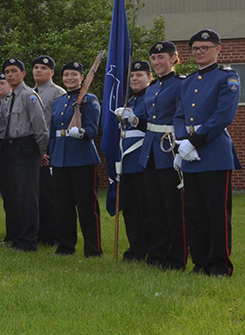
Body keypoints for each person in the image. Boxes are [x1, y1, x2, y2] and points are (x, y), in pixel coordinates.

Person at [175, 29, 241, 276]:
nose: (199, 52)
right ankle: (200, 262)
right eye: (195, 49)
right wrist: (182, 142)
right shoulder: (188, 82)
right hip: (189, 154)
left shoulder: (227, 78)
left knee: (217, 214)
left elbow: (223, 116)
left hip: (214, 154)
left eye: (205, 47)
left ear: (217, 49)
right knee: (194, 213)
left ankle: (219, 264)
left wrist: (194, 141)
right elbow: (179, 115)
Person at [137, 41, 187, 270]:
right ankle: (157, 254)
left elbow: (183, 117)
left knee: (174, 207)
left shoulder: (182, 84)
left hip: (170, 149)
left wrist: (181, 147)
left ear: (174, 58)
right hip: (150, 151)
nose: (156, 62)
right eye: (153, 59)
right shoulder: (151, 88)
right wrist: (134, 119)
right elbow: (149, 120)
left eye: (161, 58)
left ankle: (176, 257)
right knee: (154, 206)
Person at [48, 61, 102, 257]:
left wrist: (82, 133)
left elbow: (93, 130)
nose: (69, 78)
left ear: (82, 77)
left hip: (82, 158)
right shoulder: (58, 101)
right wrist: (52, 158)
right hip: (60, 158)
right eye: (66, 75)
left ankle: (93, 249)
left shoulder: (89, 99)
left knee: (87, 206)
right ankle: (66, 245)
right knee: (63, 206)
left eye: (74, 74)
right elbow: (53, 133)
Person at [0, 58, 48, 251]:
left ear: (23, 74)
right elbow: (1, 125)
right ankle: (17, 237)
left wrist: (42, 152)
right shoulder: (8, 98)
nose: (10, 75)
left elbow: (40, 127)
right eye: (7, 72)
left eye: (14, 71)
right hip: (11, 148)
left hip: (27, 148)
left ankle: (28, 240)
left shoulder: (29, 96)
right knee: (15, 195)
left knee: (27, 196)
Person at [112, 60, 153, 262]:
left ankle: (152, 248)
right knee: (130, 209)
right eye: (132, 76)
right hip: (127, 161)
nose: (134, 79)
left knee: (147, 208)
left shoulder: (152, 97)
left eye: (139, 75)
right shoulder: (130, 99)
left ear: (149, 77)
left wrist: (137, 121)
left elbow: (155, 125)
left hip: (144, 160)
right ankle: (136, 249)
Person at [32, 55, 66, 247]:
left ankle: (53, 235)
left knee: (50, 195)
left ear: (52, 72)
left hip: (50, 149)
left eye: (43, 68)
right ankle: (40, 231)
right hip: (34, 150)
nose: (39, 70)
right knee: (37, 193)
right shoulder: (31, 92)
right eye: (36, 67)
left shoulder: (57, 93)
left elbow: (57, 123)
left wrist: (45, 150)